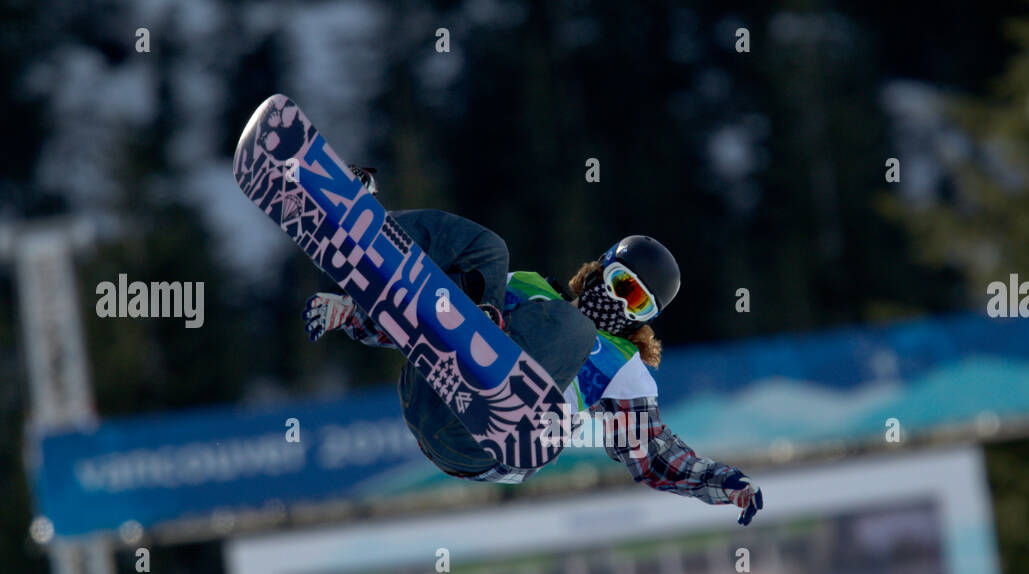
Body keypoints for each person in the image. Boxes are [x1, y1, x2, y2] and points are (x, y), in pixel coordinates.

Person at [301, 166, 764, 526]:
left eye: (636, 302)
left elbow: (656, 456)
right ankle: (365, 232)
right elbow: (424, 314)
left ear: (644, 321)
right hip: (429, 395)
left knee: (575, 330)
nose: (618, 302)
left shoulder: (625, 370)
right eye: (620, 283)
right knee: (489, 251)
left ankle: (490, 360)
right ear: (600, 269)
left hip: (492, 444)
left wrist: (725, 484)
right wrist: (355, 317)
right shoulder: (527, 286)